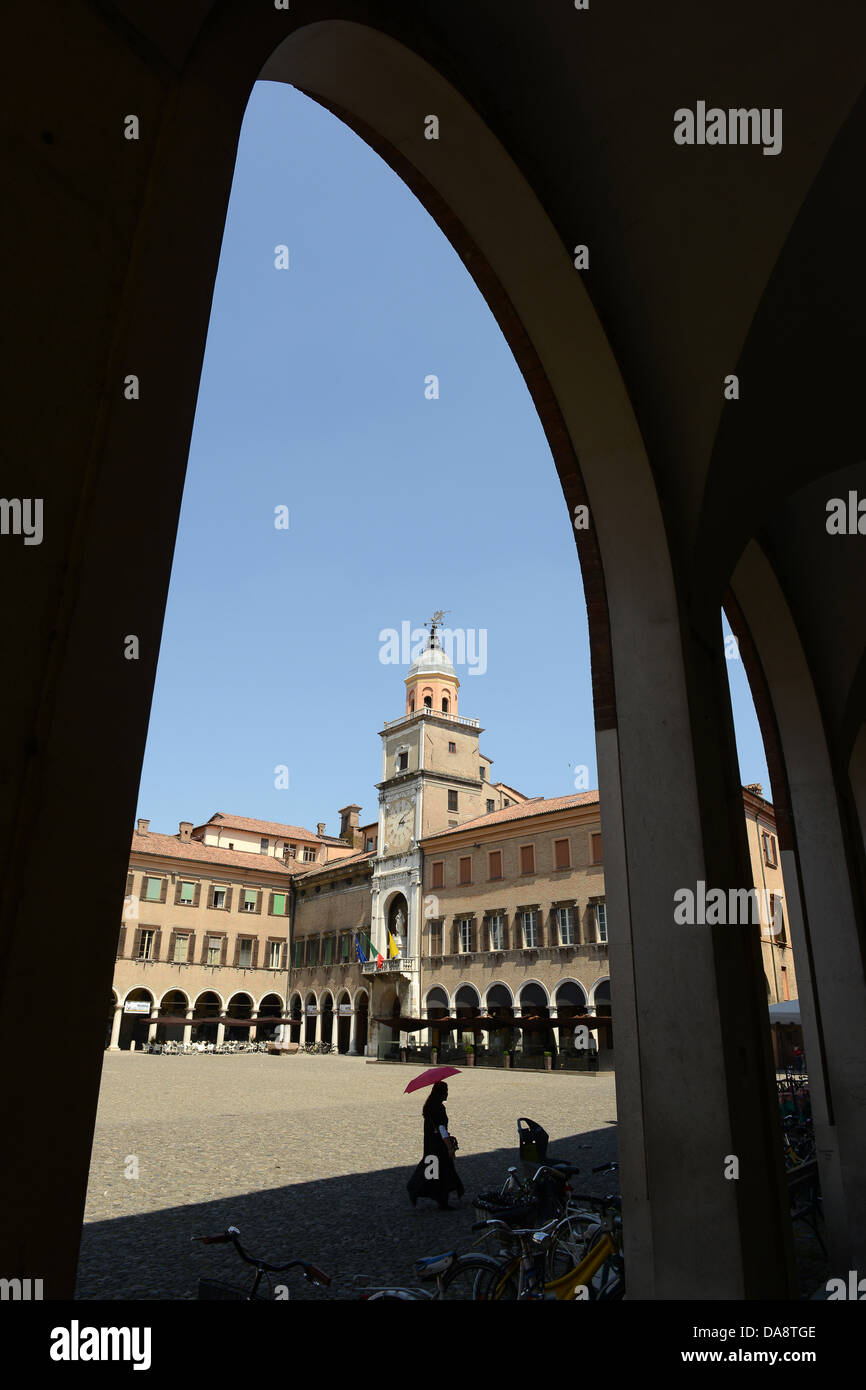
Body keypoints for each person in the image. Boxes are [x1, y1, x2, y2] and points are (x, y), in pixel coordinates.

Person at [406, 1081, 465, 1211]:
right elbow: (441, 1128)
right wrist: (449, 1147)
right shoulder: (439, 1108)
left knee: (432, 1171)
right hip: (439, 1146)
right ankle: (416, 1189)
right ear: (441, 1093)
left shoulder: (428, 1106)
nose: (447, 1094)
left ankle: (437, 1197)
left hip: (430, 1143)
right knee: (442, 1171)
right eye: (446, 1091)